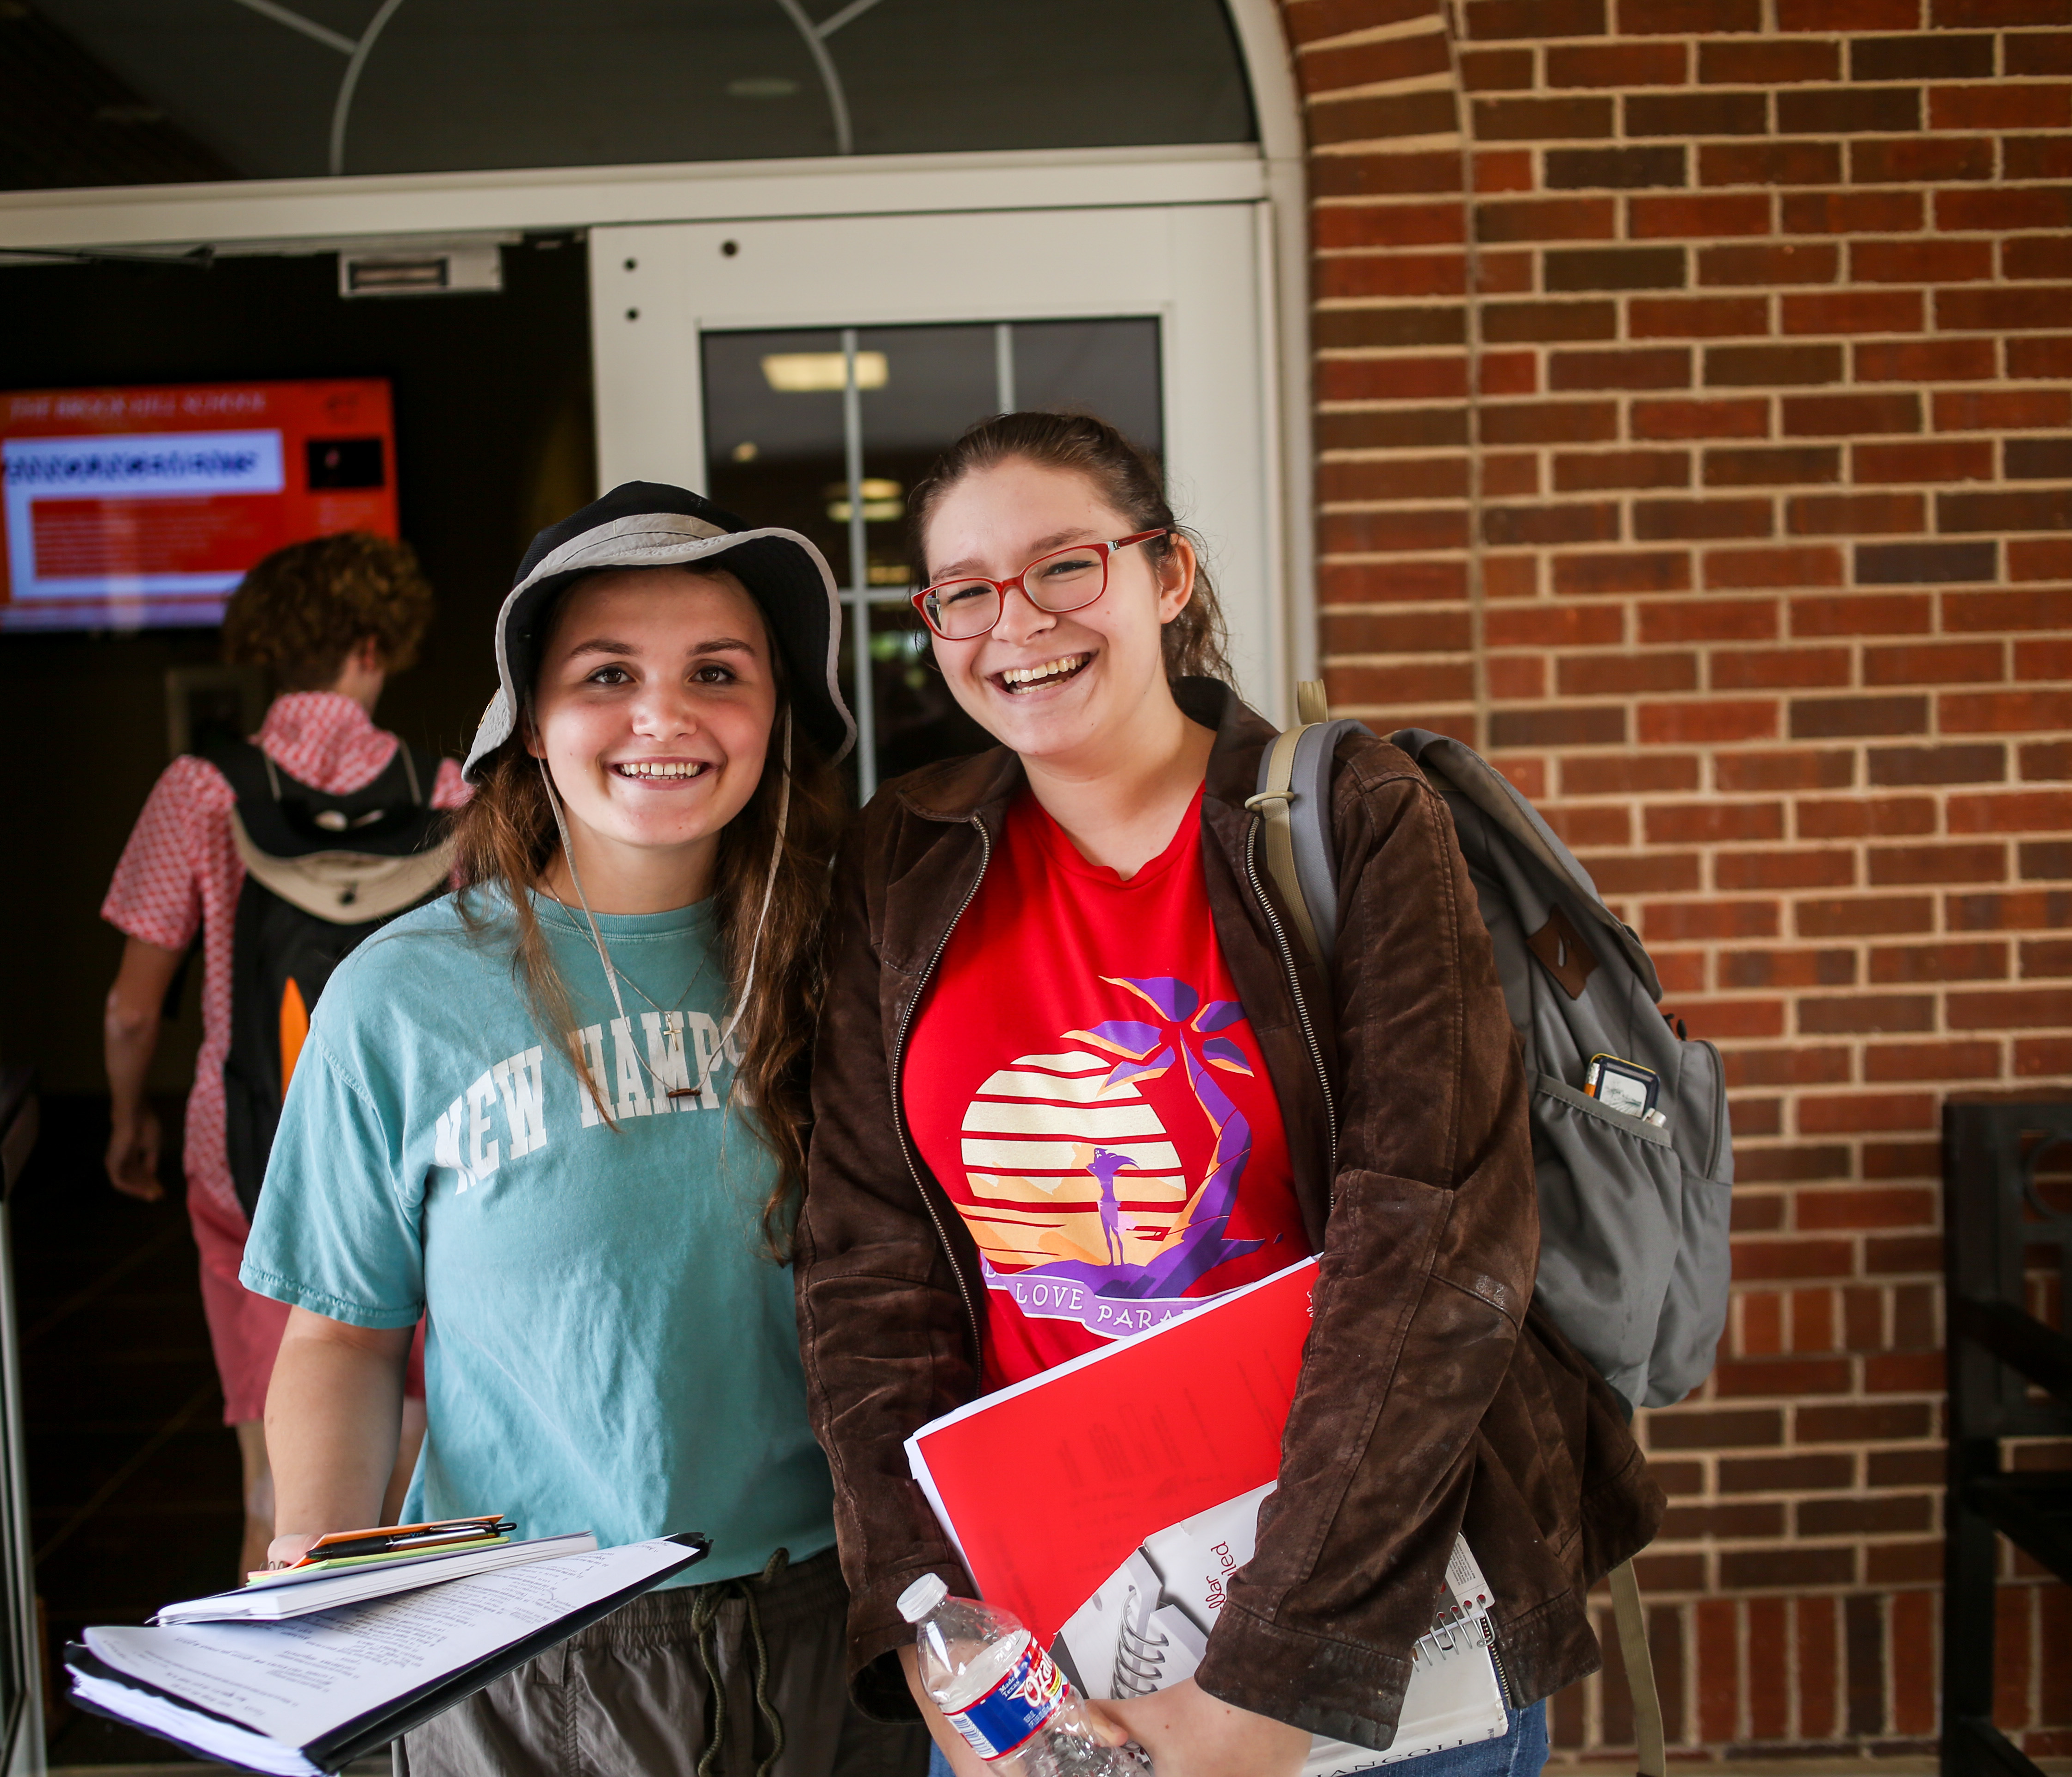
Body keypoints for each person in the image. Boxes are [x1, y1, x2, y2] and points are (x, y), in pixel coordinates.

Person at [796, 414, 1666, 1777]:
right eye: (965, 590)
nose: (1013, 623)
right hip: (1045, 1632)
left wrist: (1270, 1675)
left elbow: (1432, 1250)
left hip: (1366, 1607)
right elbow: (866, 1265)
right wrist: (933, 1627)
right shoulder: (904, 860)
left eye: (1064, 566)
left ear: (1168, 577)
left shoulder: (1350, 818)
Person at [239, 485, 929, 1777]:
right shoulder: (402, 995)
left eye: (715, 671)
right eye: (607, 672)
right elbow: (341, 1333)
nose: (662, 716)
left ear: (774, 714)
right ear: (529, 722)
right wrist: (330, 1590)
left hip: (835, 1624)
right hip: (521, 1646)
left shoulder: (862, 962)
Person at [101, 532, 456, 1579]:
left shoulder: (199, 790)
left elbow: (131, 1011)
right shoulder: (446, 793)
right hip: (416, 1161)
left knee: (282, 1474)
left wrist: (128, 1120)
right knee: (412, 1461)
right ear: (376, 643)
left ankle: (288, 1690)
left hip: (247, 1163)